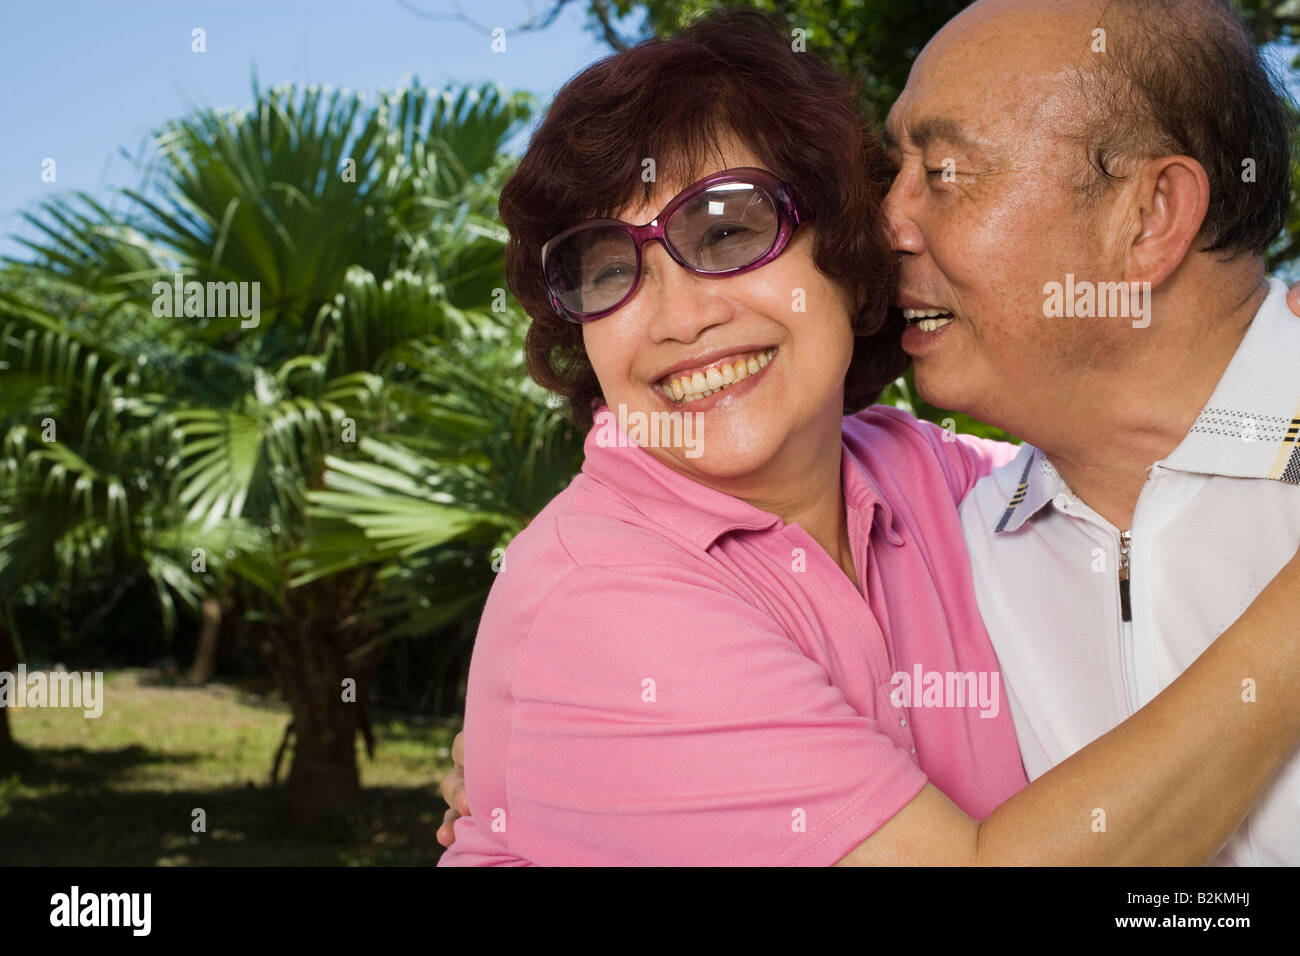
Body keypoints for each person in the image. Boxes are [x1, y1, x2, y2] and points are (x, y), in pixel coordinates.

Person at [436, 10, 1300, 866]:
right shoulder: (593, 604)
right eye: (608, 269)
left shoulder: (956, 490)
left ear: (840, 255)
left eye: (728, 231)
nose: (677, 318)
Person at [880, 0, 1300, 864]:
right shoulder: (944, 552)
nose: (888, 223)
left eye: (947, 172)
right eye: (896, 170)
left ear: (1149, 217)